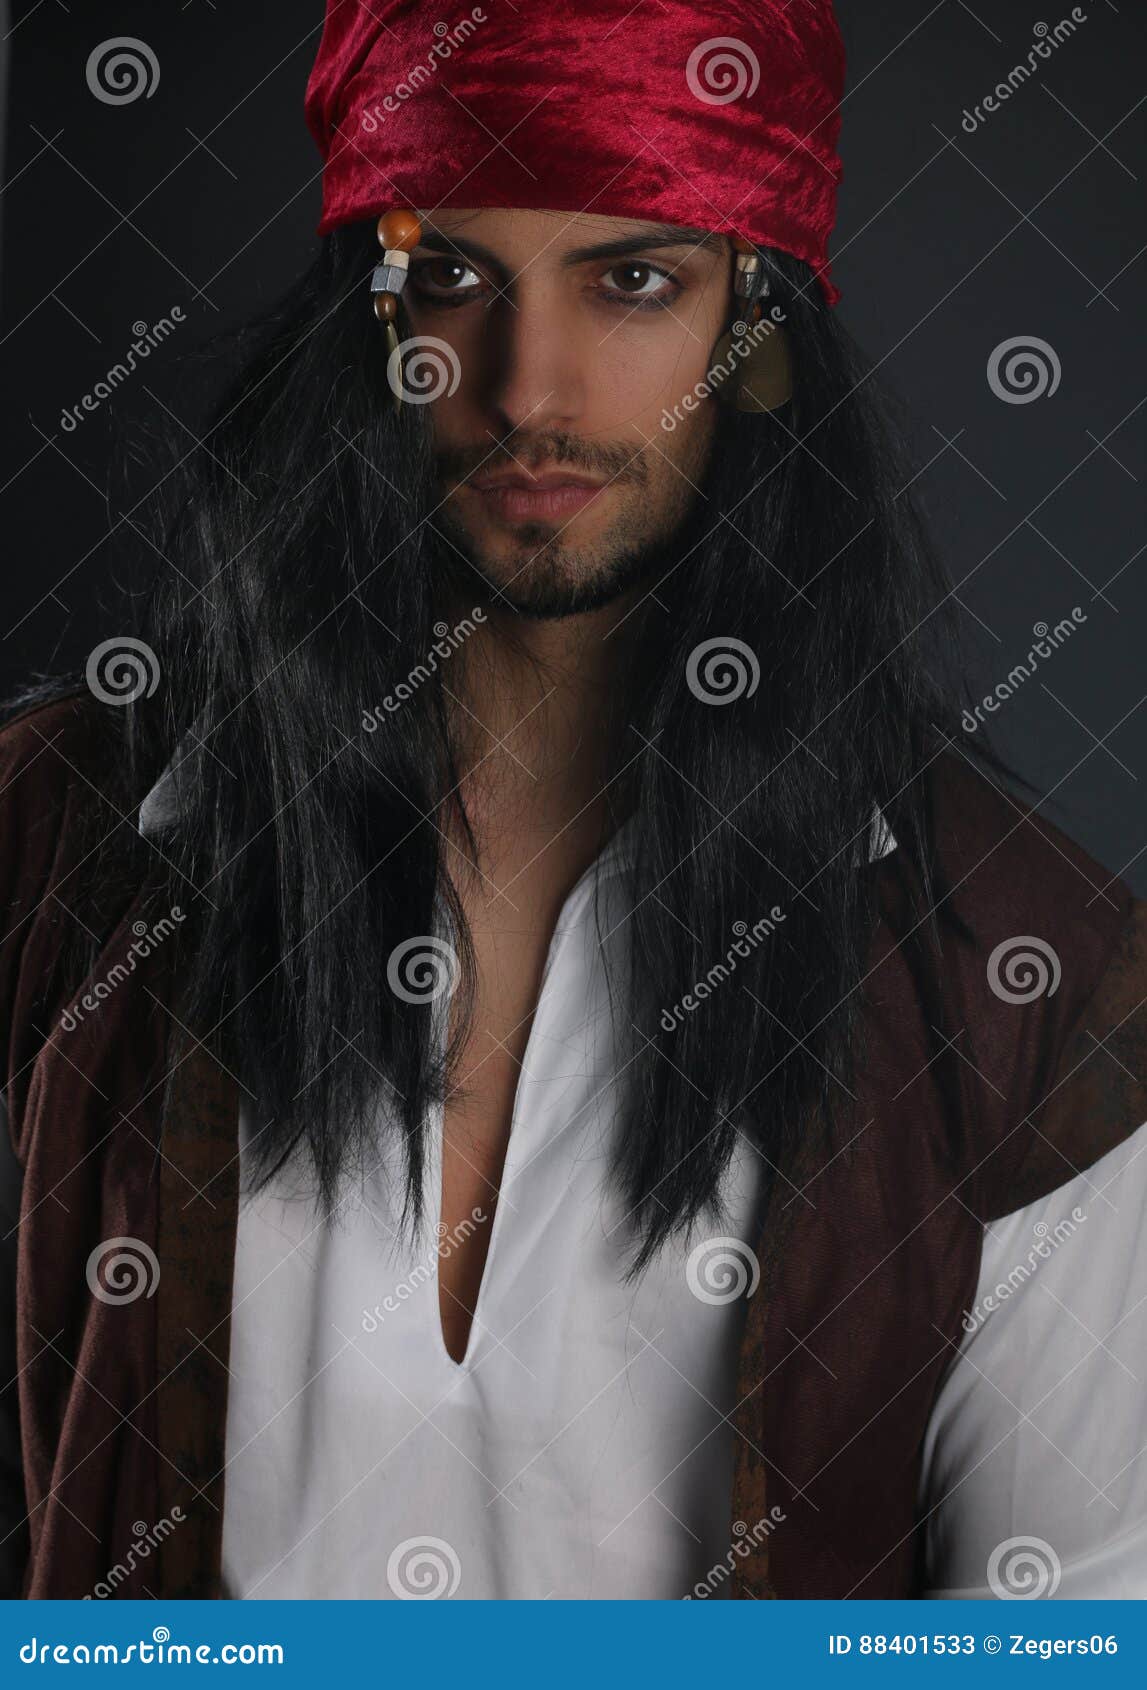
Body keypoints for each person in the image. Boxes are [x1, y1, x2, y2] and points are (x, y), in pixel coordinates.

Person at [2, 0, 1145, 1601]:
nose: (529, 387)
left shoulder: (1029, 980)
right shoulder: (47, 855)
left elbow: (1079, 1626)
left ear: (753, 337)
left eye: (633, 279)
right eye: (452, 277)